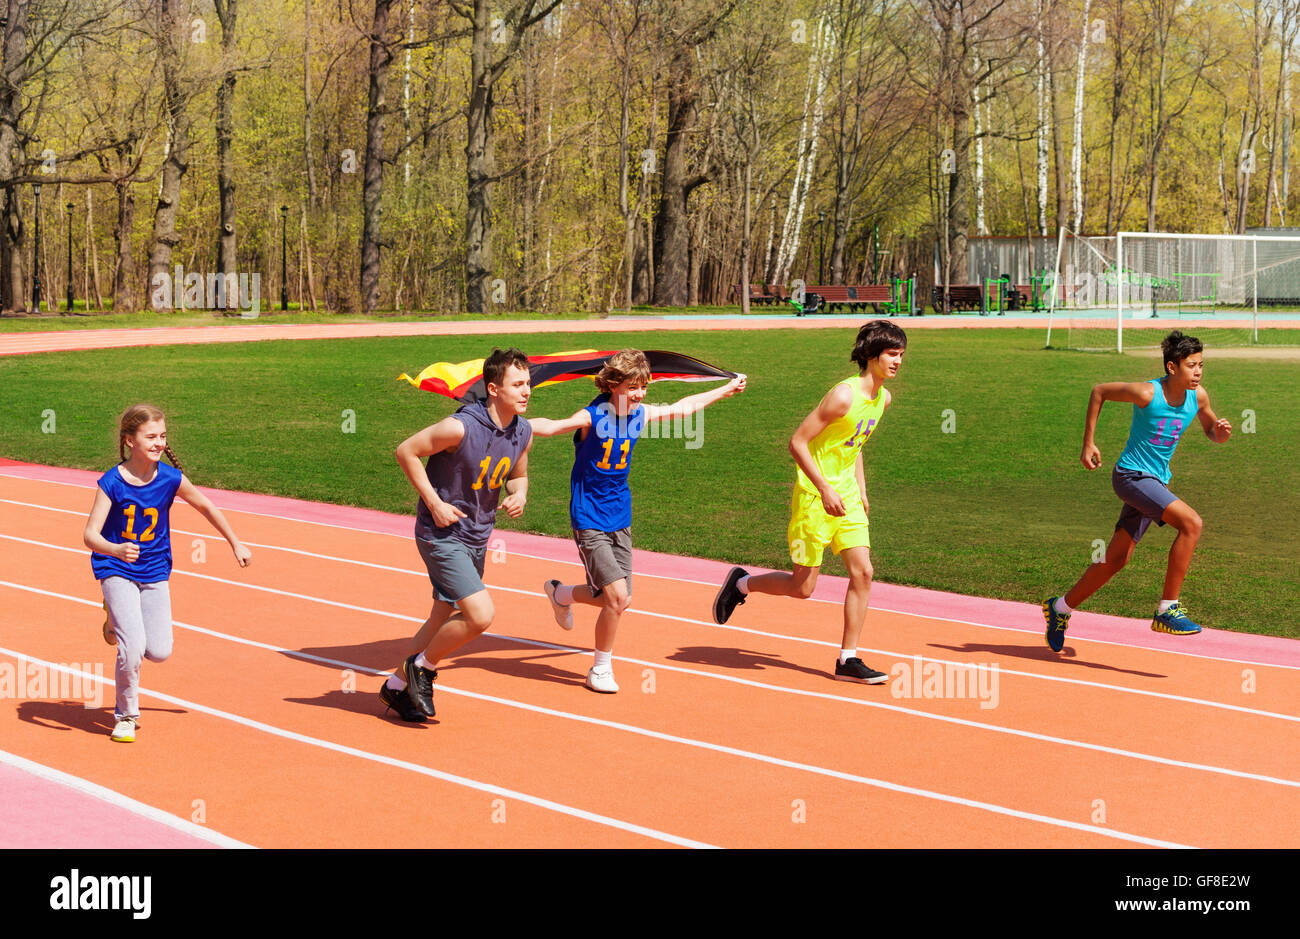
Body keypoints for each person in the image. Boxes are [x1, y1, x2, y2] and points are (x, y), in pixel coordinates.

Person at [530, 351, 745, 693]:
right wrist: (510, 424)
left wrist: (725, 389)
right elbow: (554, 426)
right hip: (588, 516)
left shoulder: (639, 414)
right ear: (614, 385)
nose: (640, 394)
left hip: (620, 514)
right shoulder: (594, 414)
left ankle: (561, 594)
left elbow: (683, 408)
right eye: (633, 387)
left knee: (616, 598)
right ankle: (600, 669)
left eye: (644, 387)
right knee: (616, 598)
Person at [712, 320, 906, 684]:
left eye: (901, 355)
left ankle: (848, 659)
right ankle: (742, 583)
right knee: (803, 588)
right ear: (871, 355)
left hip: (846, 495)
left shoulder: (883, 398)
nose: (898, 361)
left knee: (863, 572)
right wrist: (825, 489)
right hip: (816, 498)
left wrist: (860, 490)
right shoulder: (843, 396)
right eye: (892, 355)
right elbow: (797, 443)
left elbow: (852, 445)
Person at [1042, 330, 1232, 651]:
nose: (1198, 372)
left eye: (1201, 365)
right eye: (1191, 366)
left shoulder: (1198, 396)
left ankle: (1059, 608)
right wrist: (1088, 443)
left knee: (1116, 559)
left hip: (1154, 482)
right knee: (1192, 524)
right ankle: (1167, 609)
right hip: (1131, 477)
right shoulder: (1147, 393)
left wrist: (1221, 433)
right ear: (1172, 368)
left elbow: (1211, 429)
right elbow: (1099, 391)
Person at [378, 347, 533, 722]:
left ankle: (396, 688)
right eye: (518, 384)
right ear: (494, 389)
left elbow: (519, 475)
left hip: (478, 536)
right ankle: (424, 668)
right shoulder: (459, 427)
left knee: (440, 616)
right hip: (441, 533)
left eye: (528, 383)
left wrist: (520, 495)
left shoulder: (522, 431)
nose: (527, 391)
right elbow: (406, 451)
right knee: (480, 615)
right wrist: (434, 503)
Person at [83, 404, 251, 743]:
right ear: (130, 440)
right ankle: (126, 716)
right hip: (116, 566)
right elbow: (90, 535)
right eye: (150, 437)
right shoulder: (112, 482)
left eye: (162, 436)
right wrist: (116, 549)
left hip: (155, 569)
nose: (159, 442)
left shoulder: (171, 478)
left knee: (158, 651)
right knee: (133, 648)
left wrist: (235, 542)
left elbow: (205, 505)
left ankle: (113, 621)